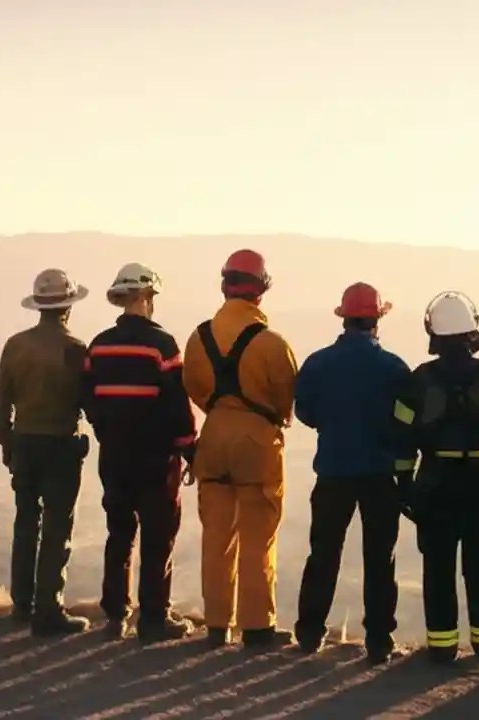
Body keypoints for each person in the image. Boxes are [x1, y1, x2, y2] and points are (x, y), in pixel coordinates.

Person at [182, 249, 298, 649]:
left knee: (216, 535)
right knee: (257, 537)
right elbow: (287, 400)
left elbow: (194, 390)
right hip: (257, 443)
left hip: (213, 439)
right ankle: (257, 626)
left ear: (224, 285)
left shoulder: (198, 339)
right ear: (261, 291)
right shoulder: (272, 343)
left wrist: (222, 413)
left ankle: (217, 624)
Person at [292, 282, 410, 665]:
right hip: (379, 474)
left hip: (333, 471)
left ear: (344, 319)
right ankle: (379, 640)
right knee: (380, 558)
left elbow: (306, 413)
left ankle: (310, 631)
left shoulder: (318, 363)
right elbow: (406, 421)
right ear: (377, 320)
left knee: (323, 553)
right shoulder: (394, 369)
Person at [82, 263, 197, 643]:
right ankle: (153, 619)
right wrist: (189, 449)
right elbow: (177, 405)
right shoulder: (162, 346)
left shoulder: (98, 345)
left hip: (113, 457)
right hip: (155, 459)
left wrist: (107, 431)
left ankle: (115, 615)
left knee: (119, 533)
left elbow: (88, 399)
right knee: (158, 536)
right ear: (147, 298)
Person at [392, 291, 479, 664]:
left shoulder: (419, 379)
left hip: (435, 482)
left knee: (437, 567)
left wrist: (404, 485)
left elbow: (402, 435)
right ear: (472, 331)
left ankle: (442, 647)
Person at [0, 268, 93, 636]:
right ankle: (48, 609)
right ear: (67, 307)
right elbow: (88, 403)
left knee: (25, 522)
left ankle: (22, 604)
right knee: (56, 527)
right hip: (61, 446)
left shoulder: (15, 345)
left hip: (25, 443)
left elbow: (1, 402)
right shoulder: (75, 349)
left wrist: (7, 445)